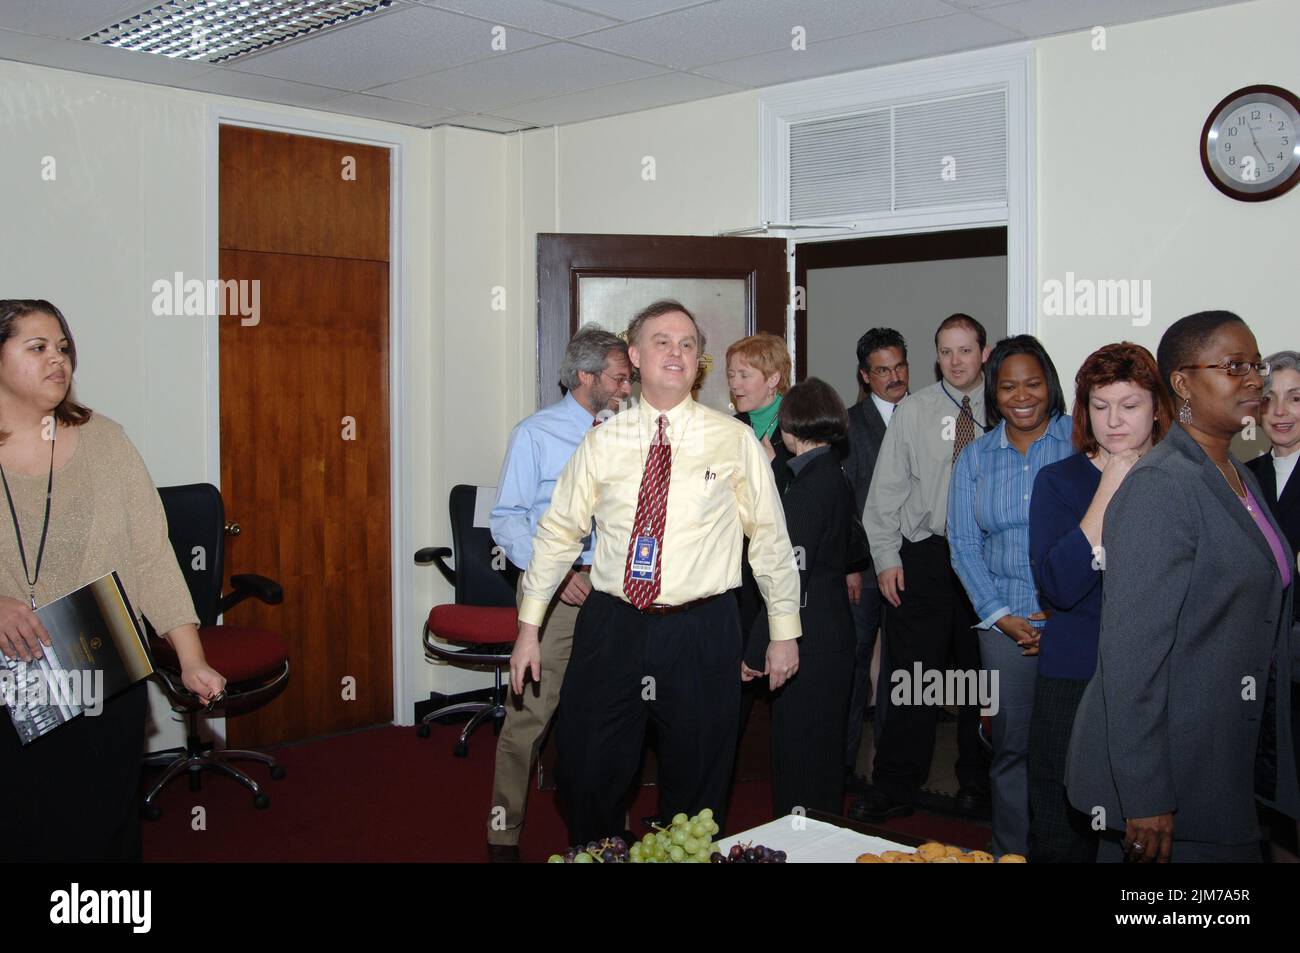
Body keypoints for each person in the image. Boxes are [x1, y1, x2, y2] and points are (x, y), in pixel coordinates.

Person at [511, 299, 801, 844]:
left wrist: (783, 631)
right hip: (613, 624)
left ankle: (681, 856)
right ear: (636, 357)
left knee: (698, 779)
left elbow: (770, 541)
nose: (677, 352)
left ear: (699, 364)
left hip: (701, 628)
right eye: (662, 341)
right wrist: (529, 629)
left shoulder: (734, 441)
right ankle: (596, 854)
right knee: (585, 767)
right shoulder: (600, 443)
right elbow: (556, 536)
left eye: (688, 344)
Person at [1066, 311, 1299, 862]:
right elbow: (1130, 659)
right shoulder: (1163, 487)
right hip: (1172, 779)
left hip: (1228, 759)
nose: (1254, 381)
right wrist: (1145, 795)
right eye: (1235, 366)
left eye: (1257, 366)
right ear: (1183, 383)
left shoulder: (1234, 474)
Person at [0, 299, 225, 862]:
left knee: (103, 826)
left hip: (100, 667)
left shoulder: (106, 442)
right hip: (10, 679)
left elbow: (150, 554)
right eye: (38, 347)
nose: (59, 359)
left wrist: (192, 657)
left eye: (64, 347)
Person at [486, 326, 631, 862]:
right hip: (555, 591)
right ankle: (503, 835)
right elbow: (507, 520)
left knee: (612, 714)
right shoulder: (537, 434)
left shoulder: (629, 433)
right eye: (618, 378)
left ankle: (606, 825)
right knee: (528, 717)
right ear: (587, 376)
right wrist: (559, 570)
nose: (625, 388)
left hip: (616, 591)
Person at [1027, 342, 1171, 862]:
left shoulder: (1178, 479)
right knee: (1061, 830)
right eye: (1100, 405)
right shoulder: (1060, 481)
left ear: (1157, 405)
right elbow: (1059, 587)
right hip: (1074, 674)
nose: (1114, 421)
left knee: (1149, 837)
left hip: (1161, 680)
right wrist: (1108, 489)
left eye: (1129, 406)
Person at [853, 314, 991, 822]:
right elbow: (885, 491)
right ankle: (894, 784)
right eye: (946, 352)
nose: (956, 361)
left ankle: (977, 782)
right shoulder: (915, 411)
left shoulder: (1006, 409)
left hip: (986, 560)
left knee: (979, 679)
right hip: (925, 558)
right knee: (911, 679)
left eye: (965, 351)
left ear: (984, 352)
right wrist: (886, 558)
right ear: (937, 357)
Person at [947, 334, 1071, 857]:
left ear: (1051, 386)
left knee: (1071, 750)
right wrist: (999, 615)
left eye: (1033, 383)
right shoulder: (976, 457)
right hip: (1003, 629)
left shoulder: (1082, 443)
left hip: (1074, 623)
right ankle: (1011, 853)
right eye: (1008, 386)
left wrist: (1070, 608)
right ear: (993, 394)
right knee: (1009, 748)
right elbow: (962, 542)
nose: (1022, 396)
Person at [744, 377, 864, 818]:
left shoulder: (812, 487)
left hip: (809, 642)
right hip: (831, 636)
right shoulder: (831, 473)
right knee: (821, 756)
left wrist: (756, 648)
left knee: (801, 760)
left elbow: (787, 575)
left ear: (790, 429)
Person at [841, 328, 909, 784]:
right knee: (854, 669)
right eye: (882, 370)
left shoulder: (925, 415)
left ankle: (892, 769)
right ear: (865, 377)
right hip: (862, 571)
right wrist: (850, 564)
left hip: (914, 566)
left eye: (900, 366)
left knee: (902, 671)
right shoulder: (847, 424)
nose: (894, 377)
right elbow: (843, 501)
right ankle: (842, 767)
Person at [1245, 349, 1300, 858]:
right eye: (1270, 399)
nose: (1281, 411)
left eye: (1296, 397)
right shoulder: (1242, 477)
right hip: (1254, 658)